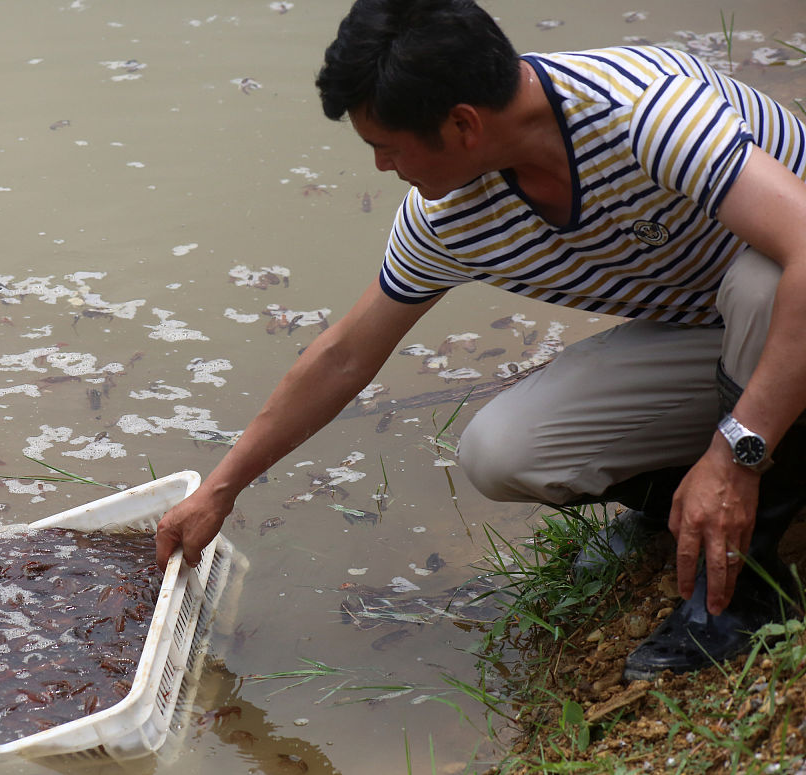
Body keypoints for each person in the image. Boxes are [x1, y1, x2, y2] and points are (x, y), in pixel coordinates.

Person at [155, 0, 806, 681]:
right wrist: (219, 490)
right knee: (502, 450)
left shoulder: (644, 112)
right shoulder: (449, 215)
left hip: (789, 309)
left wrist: (734, 457)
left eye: (388, 144)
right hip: (723, 341)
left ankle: (742, 579)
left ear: (463, 123)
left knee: (765, 277)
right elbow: (346, 355)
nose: (381, 165)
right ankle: (708, 489)